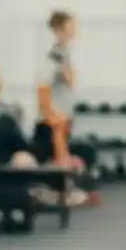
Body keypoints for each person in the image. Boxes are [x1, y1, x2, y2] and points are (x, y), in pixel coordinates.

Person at [37, 10, 77, 167]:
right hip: (55, 120)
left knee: (64, 160)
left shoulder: (65, 54)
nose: (73, 31)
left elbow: (71, 81)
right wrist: (49, 116)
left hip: (64, 115)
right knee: (59, 162)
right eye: (70, 27)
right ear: (58, 30)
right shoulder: (51, 57)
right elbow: (42, 87)